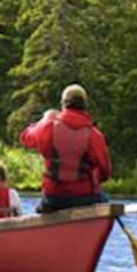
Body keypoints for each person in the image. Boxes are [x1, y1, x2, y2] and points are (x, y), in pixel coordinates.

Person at [19, 83, 112, 213]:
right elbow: (105, 172)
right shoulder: (94, 134)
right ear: (85, 106)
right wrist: (93, 181)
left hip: (53, 197)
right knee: (105, 199)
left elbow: (25, 138)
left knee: (41, 206)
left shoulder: (48, 126)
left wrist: (45, 119)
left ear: (63, 104)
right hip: (85, 197)